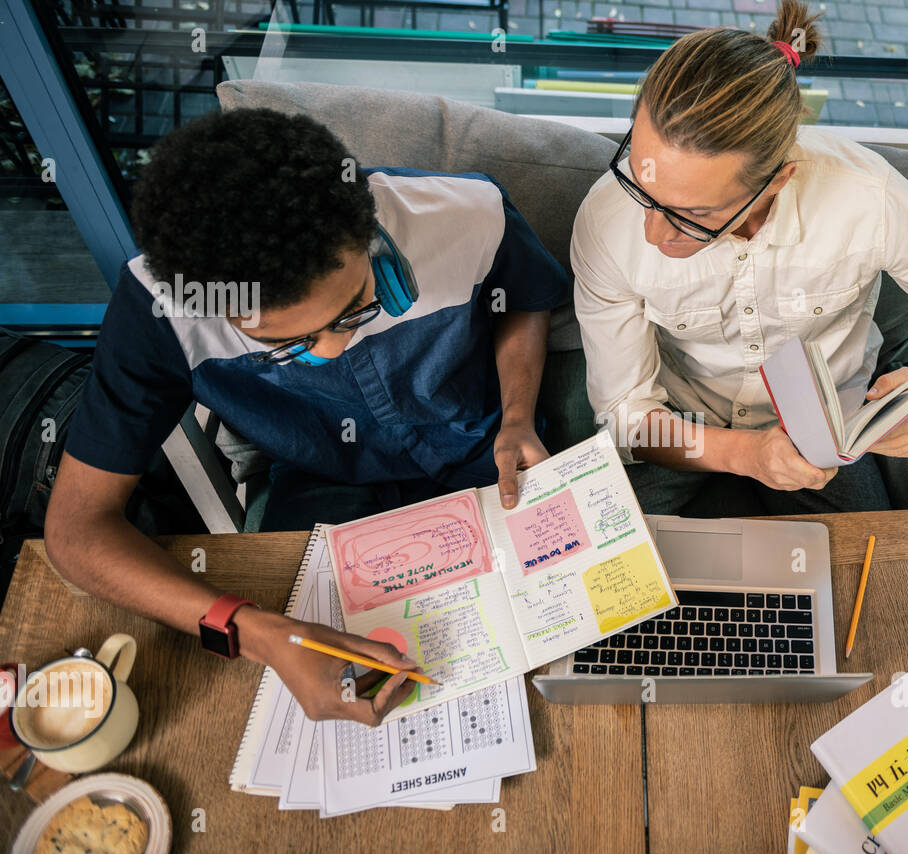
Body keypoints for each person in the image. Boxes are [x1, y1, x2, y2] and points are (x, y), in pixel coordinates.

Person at [45, 108, 569, 726]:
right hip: (324, 480)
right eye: (286, 345)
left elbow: (524, 300)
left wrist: (516, 417)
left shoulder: (467, 215)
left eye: (355, 308)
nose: (331, 350)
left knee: (556, 665)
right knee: (299, 698)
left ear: (368, 224)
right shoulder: (162, 312)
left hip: (479, 447)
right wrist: (257, 633)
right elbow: (77, 534)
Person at [571, 0, 908, 516]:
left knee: (869, 585)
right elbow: (623, 414)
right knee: (612, 591)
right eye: (640, 180)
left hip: (827, 430)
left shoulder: (866, 198)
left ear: (777, 180)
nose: (652, 231)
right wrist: (746, 455)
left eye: (693, 212)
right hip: (682, 429)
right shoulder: (606, 220)